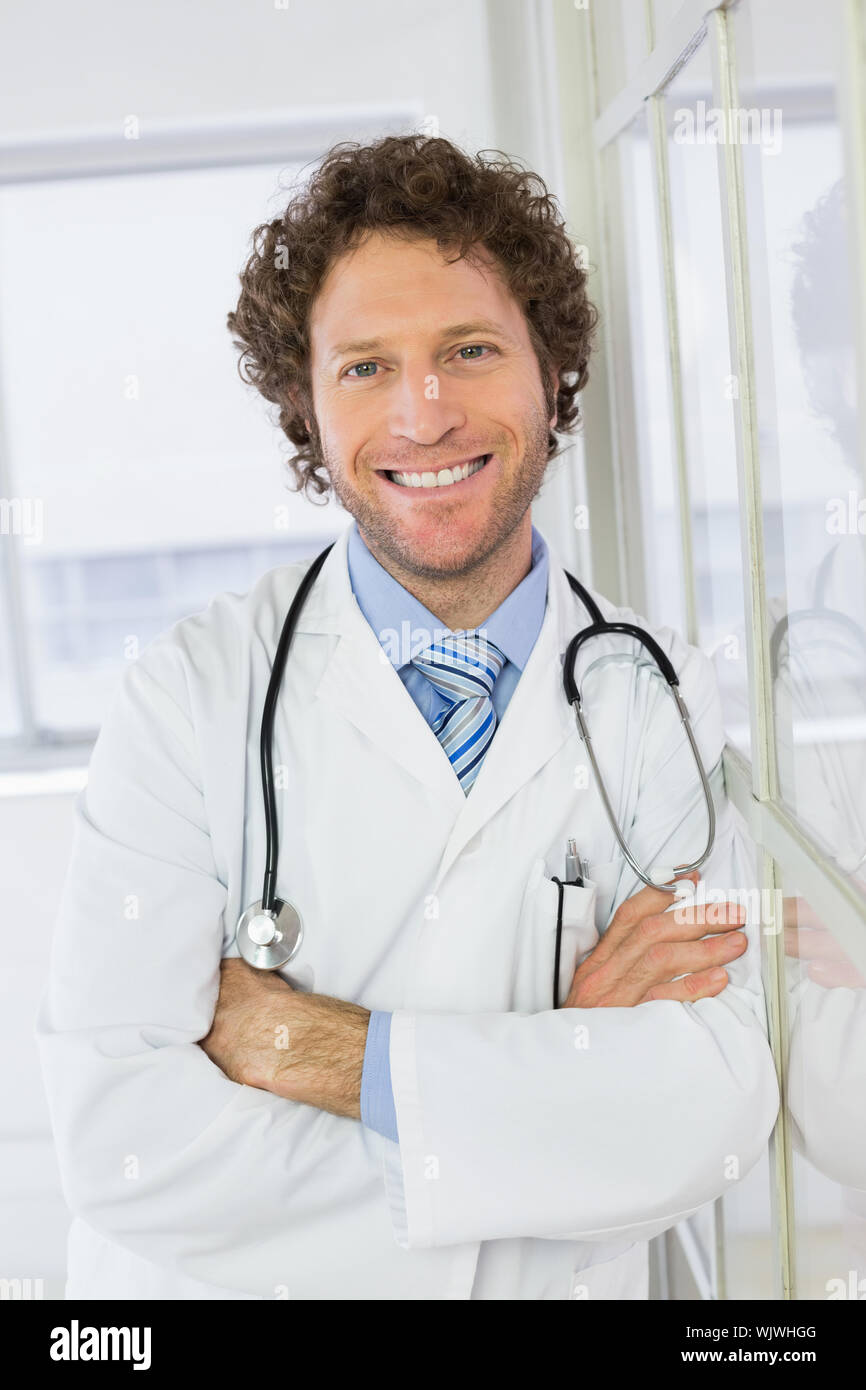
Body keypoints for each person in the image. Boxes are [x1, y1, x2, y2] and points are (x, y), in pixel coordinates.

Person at [36, 134, 778, 1301]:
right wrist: (546, 1091)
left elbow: (711, 1106)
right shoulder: (187, 695)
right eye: (365, 367)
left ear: (550, 372)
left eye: (469, 350)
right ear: (307, 406)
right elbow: (121, 1141)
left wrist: (326, 1051)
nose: (424, 416)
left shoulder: (659, 696)